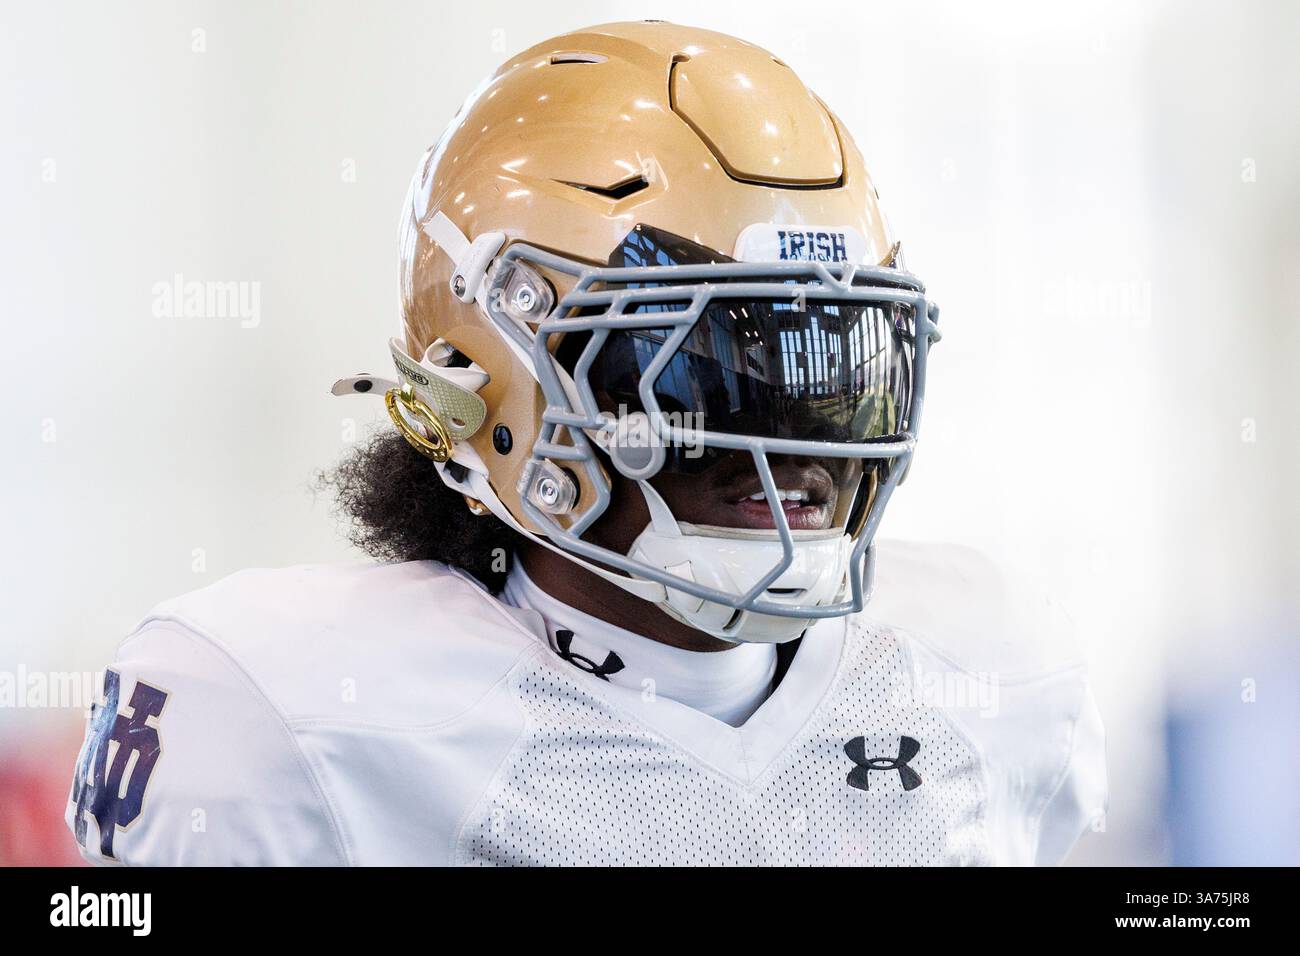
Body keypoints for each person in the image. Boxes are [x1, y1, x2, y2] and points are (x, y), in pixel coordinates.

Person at [67, 20, 1105, 866]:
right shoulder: (284, 710)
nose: (793, 452)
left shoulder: (988, 673)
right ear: (489, 378)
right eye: (707, 367)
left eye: (827, 366)